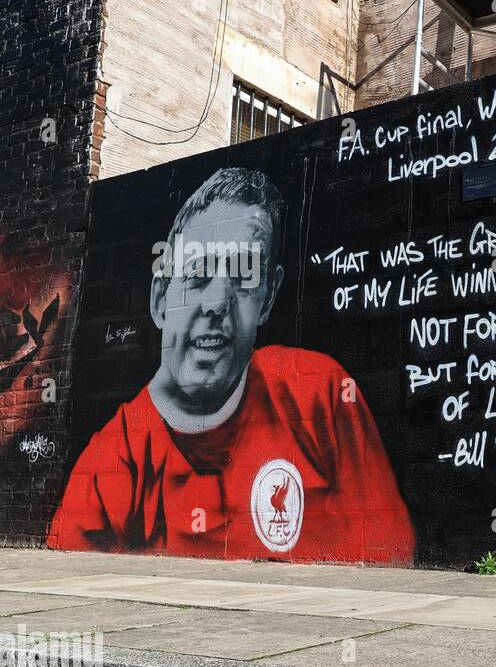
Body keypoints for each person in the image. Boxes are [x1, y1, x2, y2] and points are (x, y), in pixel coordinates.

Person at [49, 167, 415, 564]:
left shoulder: (321, 397)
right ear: (160, 298)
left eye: (244, 278)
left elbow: (391, 554)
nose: (218, 302)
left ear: (269, 296)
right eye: (199, 274)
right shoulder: (110, 469)